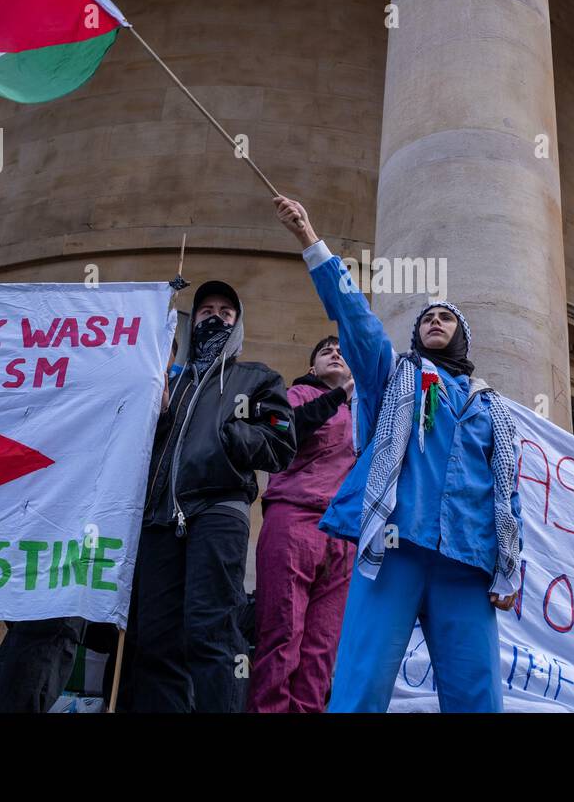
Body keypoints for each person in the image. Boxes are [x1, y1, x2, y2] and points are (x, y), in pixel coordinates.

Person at [275, 196, 522, 713]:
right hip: (391, 548)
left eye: (446, 318)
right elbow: (357, 320)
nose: (435, 320)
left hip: (468, 564)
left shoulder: (492, 408)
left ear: (462, 337)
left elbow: (507, 491)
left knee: (479, 699)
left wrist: (510, 568)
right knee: (360, 688)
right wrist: (310, 241)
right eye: (427, 316)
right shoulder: (392, 377)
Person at [119, 280, 296, 712]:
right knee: (156, 637)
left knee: (211, 631)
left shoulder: (256, 377)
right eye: (205, 310)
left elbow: (280, 442)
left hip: (218, 510)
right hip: (161, 517)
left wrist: (229, 434)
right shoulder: (168, 382)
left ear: (237, 324)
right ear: (191, 319)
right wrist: (157, 413)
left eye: (225, 311)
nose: (214, 316)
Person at [247, 336, 357, 713]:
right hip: (295, 519)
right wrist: (338, 396)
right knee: (282, 634)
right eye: (325, 350)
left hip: (342, 535)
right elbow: (286, 430)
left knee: (321, 649)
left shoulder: (362, 411)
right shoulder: (295, 395)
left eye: (342, 351)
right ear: (312, 369)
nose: (335, 353)